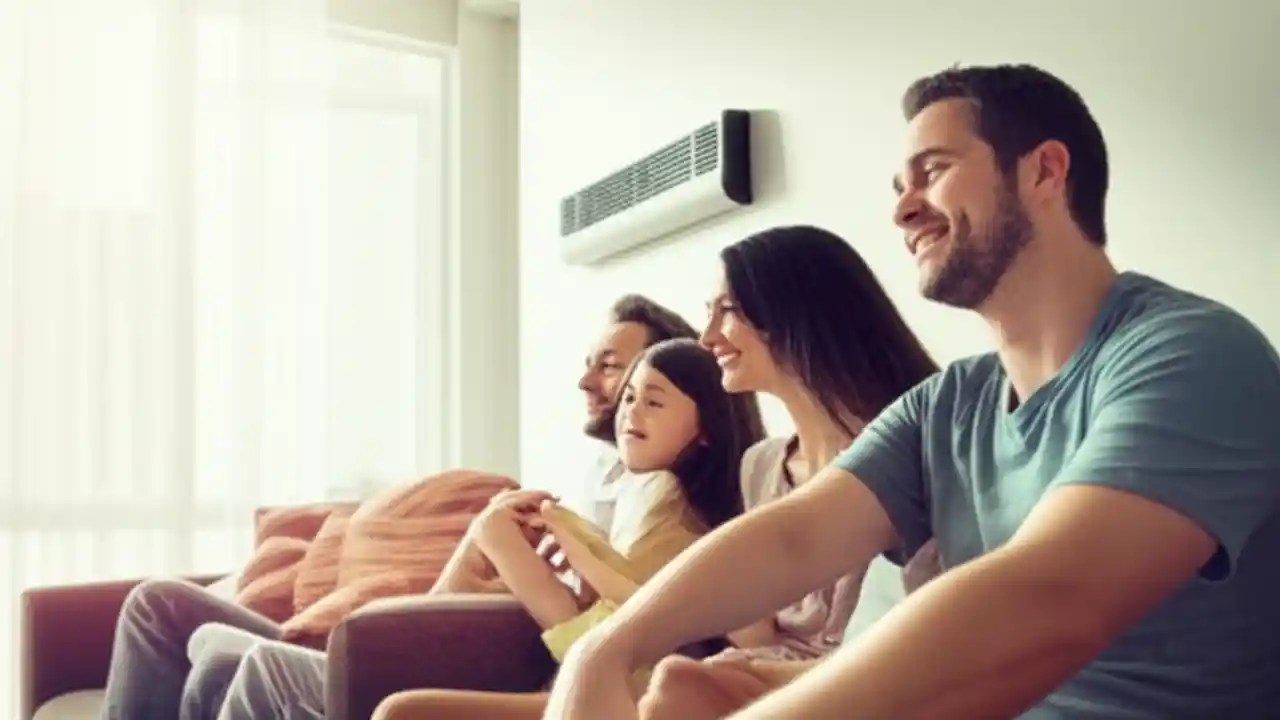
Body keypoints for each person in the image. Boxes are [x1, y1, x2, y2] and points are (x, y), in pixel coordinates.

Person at [541, 63, 1280, 720]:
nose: (901, 209)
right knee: (680, 690)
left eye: (933, 171)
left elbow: (1050, 602)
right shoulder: (950, 403)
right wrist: (607, 646)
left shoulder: (1191, 355)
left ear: (1046, 172)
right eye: (900, 187)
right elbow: (797, 533)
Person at [367, 224, 941, 719]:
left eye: (728, 311)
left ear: (793, 315)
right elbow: (749, 624)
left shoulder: (902, 455)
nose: (709, 335)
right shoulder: (762, 465)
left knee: (671, 686)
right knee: (403, 712)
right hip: (732, 671)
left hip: (818, 687)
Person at [98, 294, 697, 720]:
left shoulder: (662, 504)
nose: (589, 383)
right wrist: (477, 545)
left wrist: (505, 551)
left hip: (431, 653)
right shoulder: (597, 478)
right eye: (595, 366)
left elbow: (590, 619)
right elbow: (457, 601)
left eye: (616, 370)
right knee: (181, 622)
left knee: (215, 649)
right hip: (392, 636)